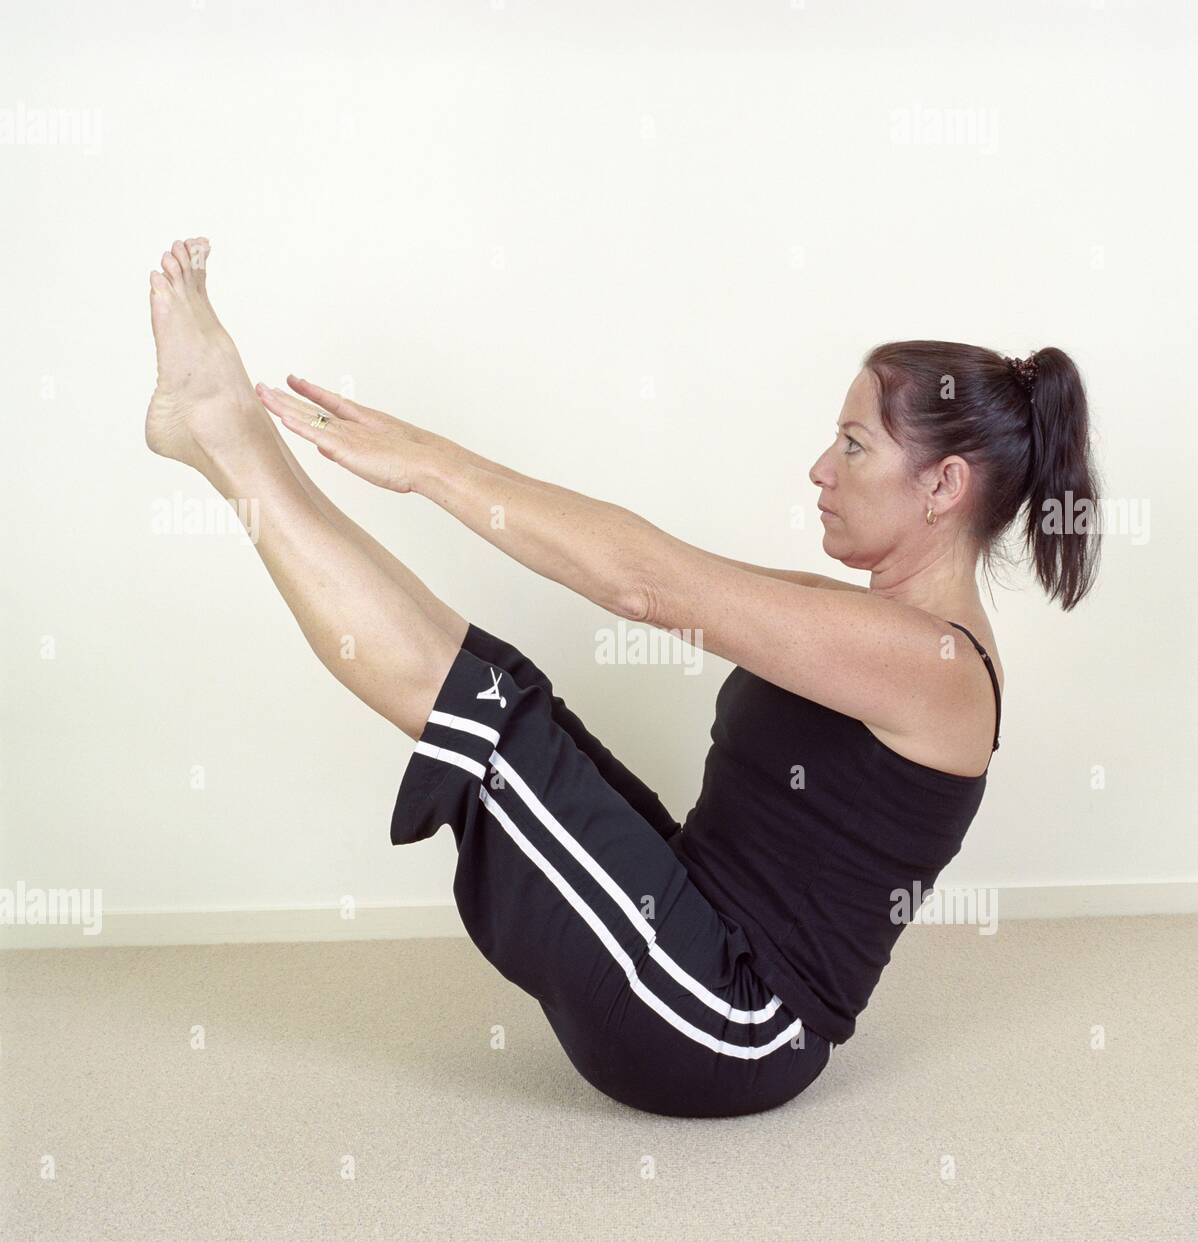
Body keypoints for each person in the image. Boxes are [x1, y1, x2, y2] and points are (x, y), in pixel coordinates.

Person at [145, 236, 1101, 1118]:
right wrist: (434, 465)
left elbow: (644, 586)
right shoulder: (872, 625)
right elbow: (659, 561)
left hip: (729, 1022)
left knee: (485, 725)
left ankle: (228, 438)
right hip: (701, 932)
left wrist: (429, 465)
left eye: (853, 445)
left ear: (942, 486)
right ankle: (231, 436)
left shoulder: (930, 665)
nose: (819, 468)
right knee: (499, 685)